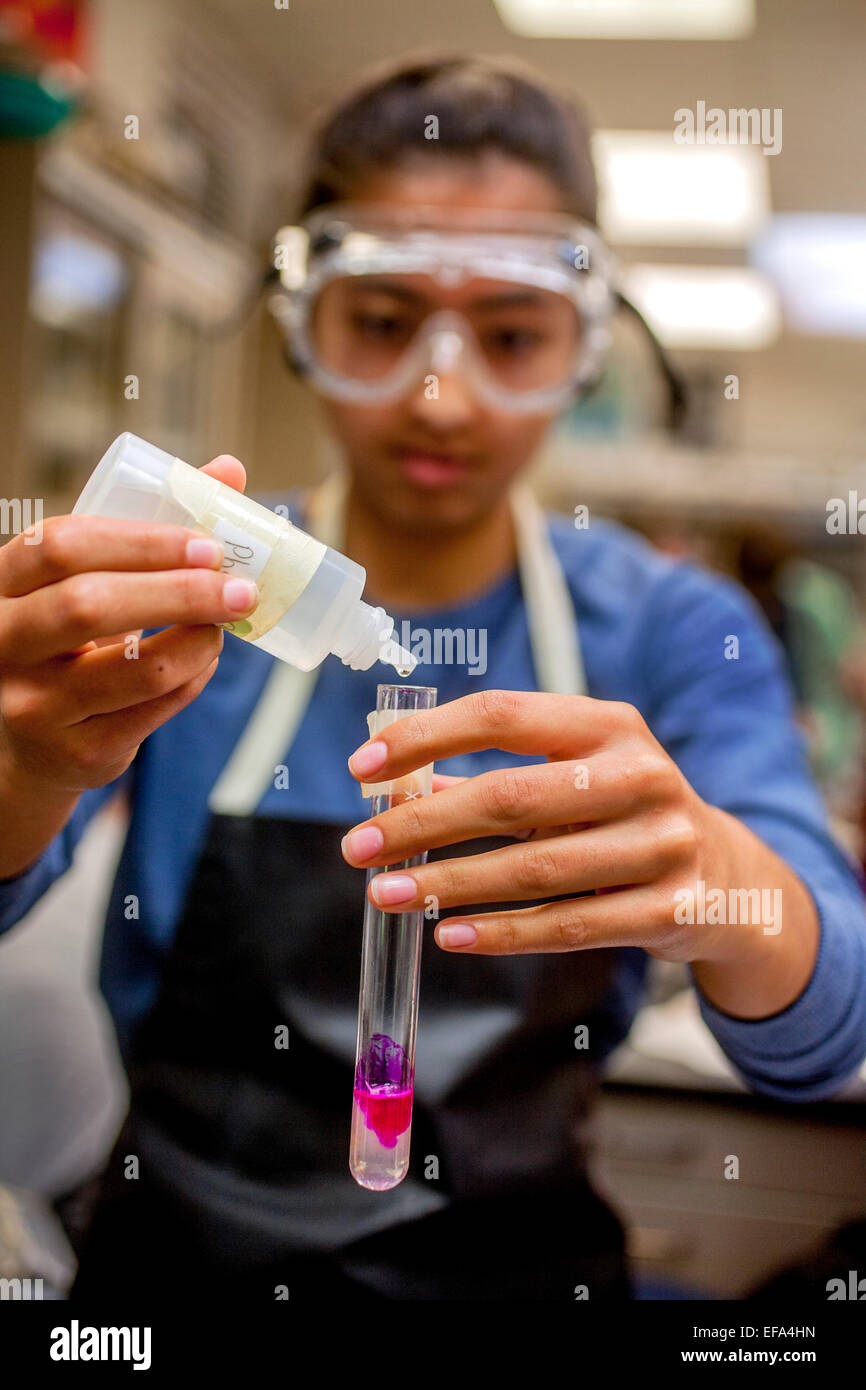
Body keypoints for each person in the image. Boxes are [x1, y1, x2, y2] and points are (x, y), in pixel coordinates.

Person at [1, 52, 865, 1303]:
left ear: (582, 345)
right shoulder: (187, 589)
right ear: (305, 318)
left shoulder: (668, 628)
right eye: (384, 321)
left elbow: (826, 1025)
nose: (440, 397)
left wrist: (718, 878)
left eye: (509, 336)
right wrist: (22, 762)